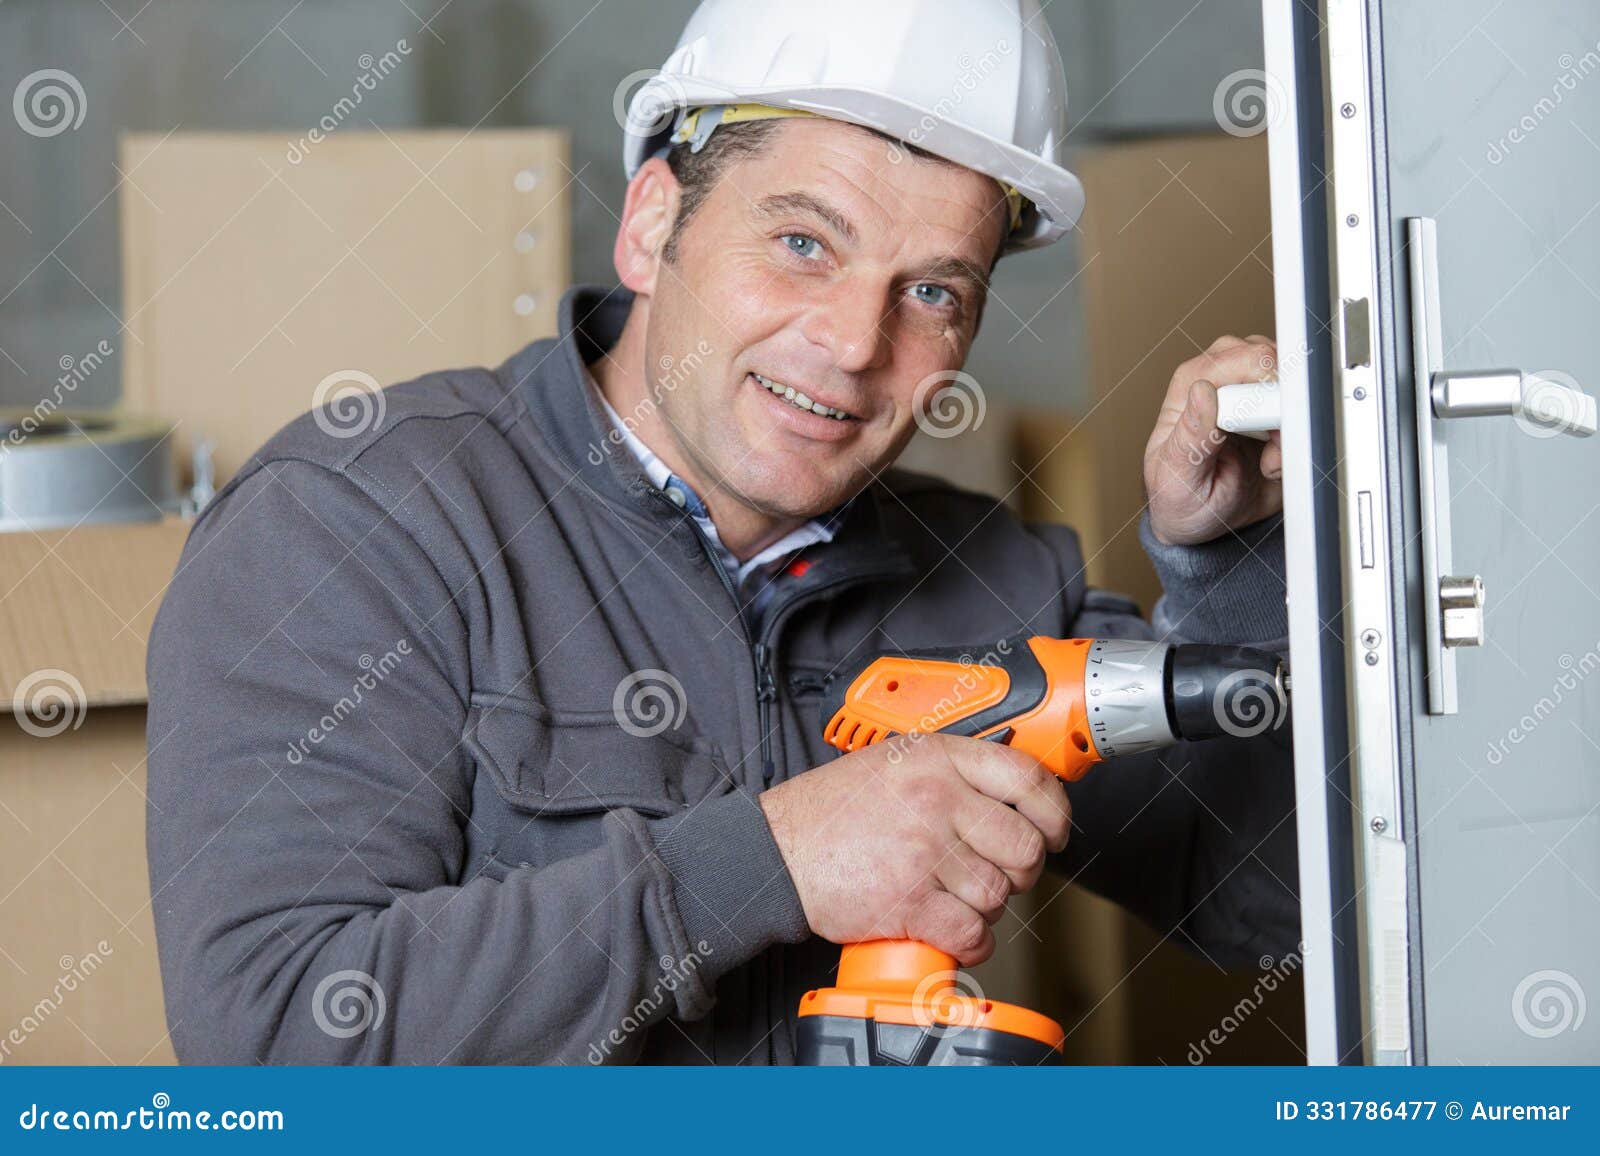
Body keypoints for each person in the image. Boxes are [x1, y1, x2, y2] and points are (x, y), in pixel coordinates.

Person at [146, 0, 1294, 1064]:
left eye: (932, 292)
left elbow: (1259, 906)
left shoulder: (984, 578)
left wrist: (1231, 559)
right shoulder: (364, 522)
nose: (853, 343)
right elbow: (275, 1035)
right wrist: (773, 861)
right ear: (652, 226)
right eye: (803, 242)